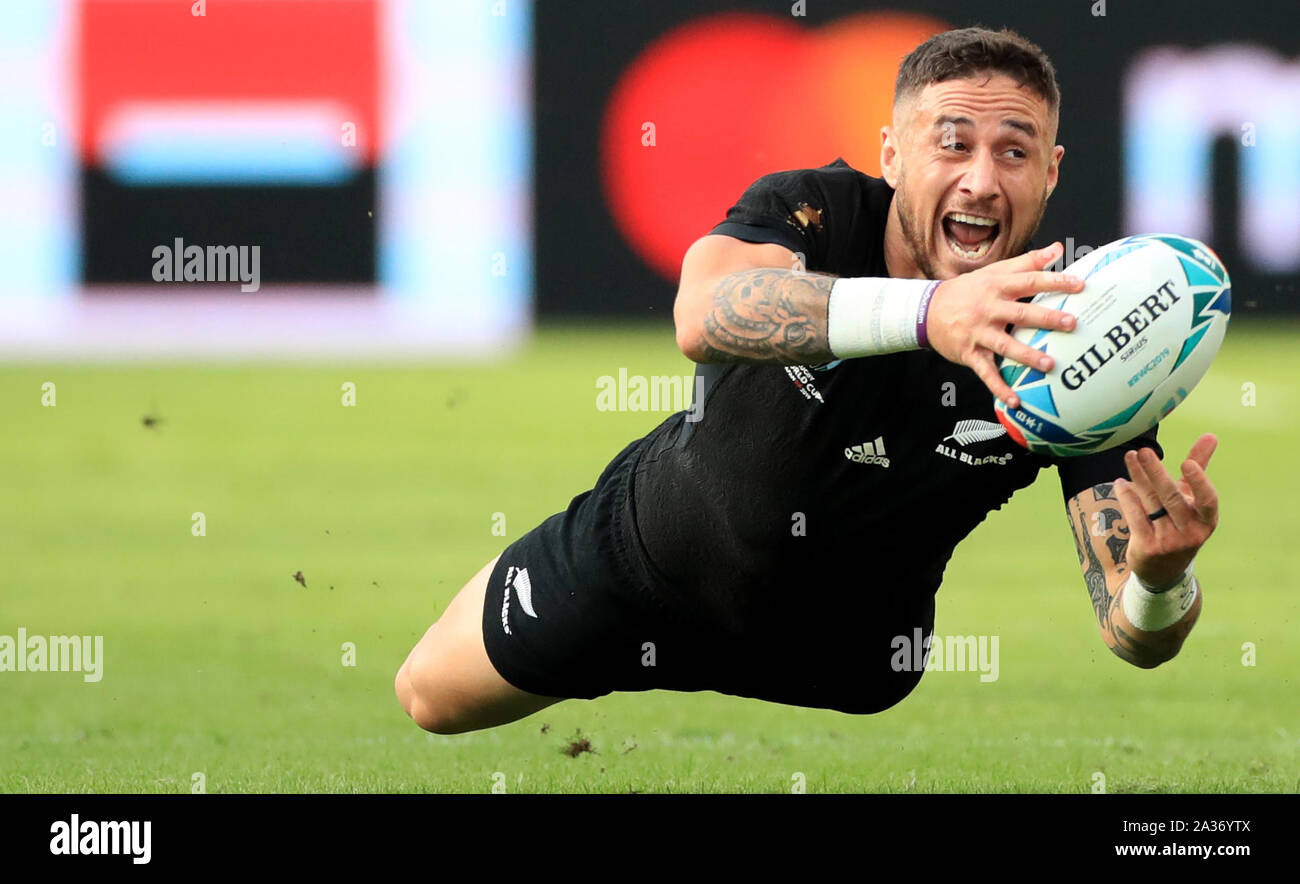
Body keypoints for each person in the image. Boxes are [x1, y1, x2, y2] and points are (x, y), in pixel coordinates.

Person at [395, 26, 1220, 734]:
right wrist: (934, 311)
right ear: (893, 156)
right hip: (641, 569)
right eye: (952, 143)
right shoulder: (817, 209)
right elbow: (705, 314)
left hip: (847, 660)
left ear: (1051, 172)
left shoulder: (1077, 332)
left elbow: (1132, 633)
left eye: (1014, 150)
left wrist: (1159, 582)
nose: (980, 179)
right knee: (425, 694)